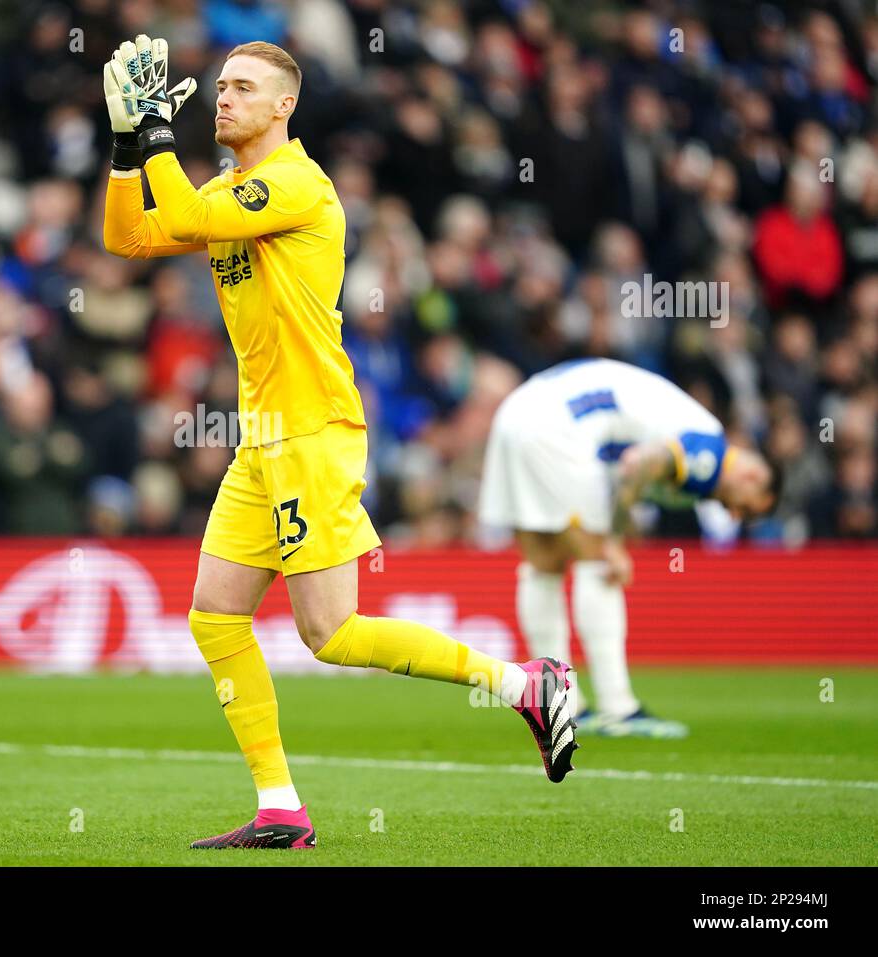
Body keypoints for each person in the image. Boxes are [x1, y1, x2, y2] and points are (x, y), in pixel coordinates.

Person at [103, 35, 578, 851]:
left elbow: (177, 214)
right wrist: (124, 146)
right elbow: (130, 239)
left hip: (315, 430)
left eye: (244, 88)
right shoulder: (233, 185)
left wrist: (153, 129)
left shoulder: (293, 184)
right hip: (263, 437)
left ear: (284, 106)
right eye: (220, 87)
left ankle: (524, 682)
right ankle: (280, 805)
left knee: (332, 633)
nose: (224, 99)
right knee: (216, 616)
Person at [478, 357, 777, 738]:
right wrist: (615, 543)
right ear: (752, 475)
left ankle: (557, 705)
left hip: (517, 412)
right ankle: (619, 707)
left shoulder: (689, 423)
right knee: (599, 562)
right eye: (743, 506)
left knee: (543, 563)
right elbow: (638, 466)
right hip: (557, 428)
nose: (734, 514)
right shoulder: (709, 447)